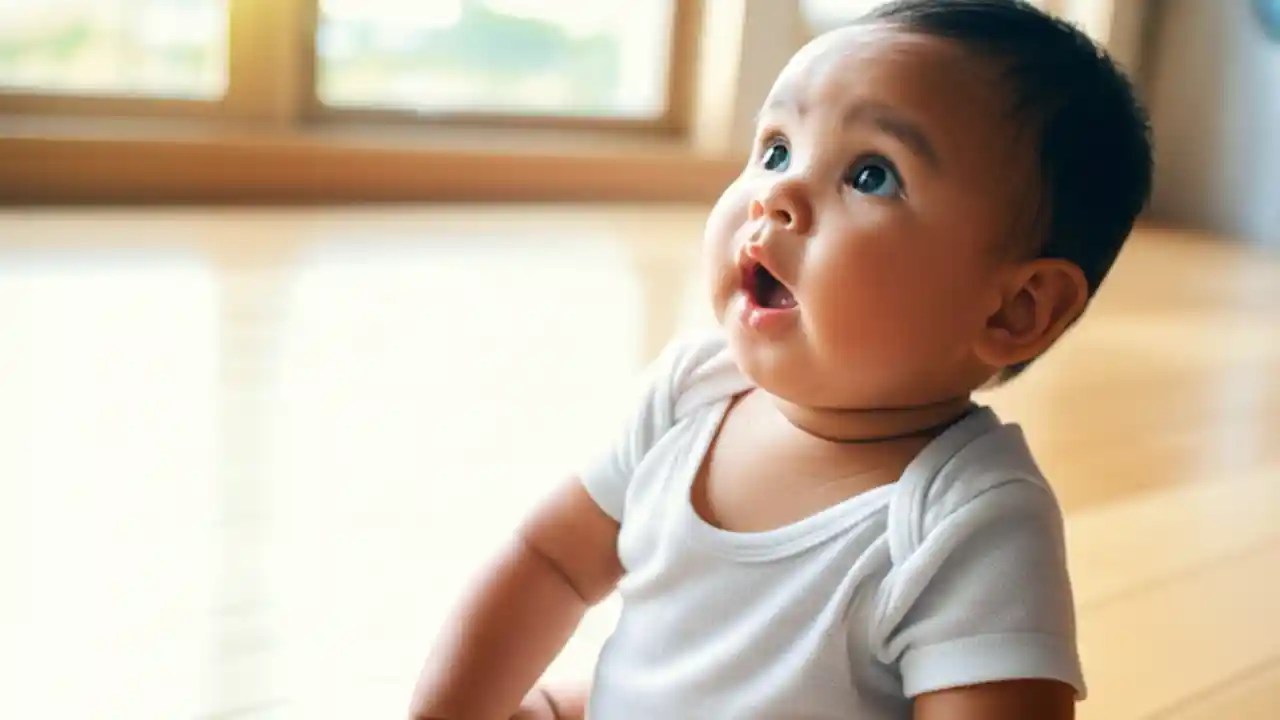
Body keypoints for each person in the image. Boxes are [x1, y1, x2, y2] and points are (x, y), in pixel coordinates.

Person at [410, 0, 1153, 717]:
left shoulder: (965, 519)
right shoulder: (690, 395)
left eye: (871, 174)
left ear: (1014, 309)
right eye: (775, 150)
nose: (779, 194)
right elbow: (549, 560)